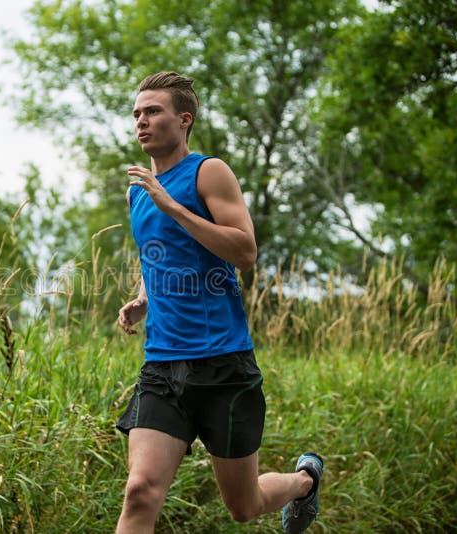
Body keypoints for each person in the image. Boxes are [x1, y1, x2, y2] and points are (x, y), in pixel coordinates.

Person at [115, 71, 323, 534]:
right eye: (136, 114)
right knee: (140, 492)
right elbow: (160, 254)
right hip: (163, 366)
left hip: (223, 366)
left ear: (183, 119)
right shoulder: (138, 189)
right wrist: (143, 298)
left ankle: (305, 482)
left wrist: (173, 205)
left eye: (153, 112)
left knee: (244, 506)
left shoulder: (209, 171)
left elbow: (244, 252)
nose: (141, 122)